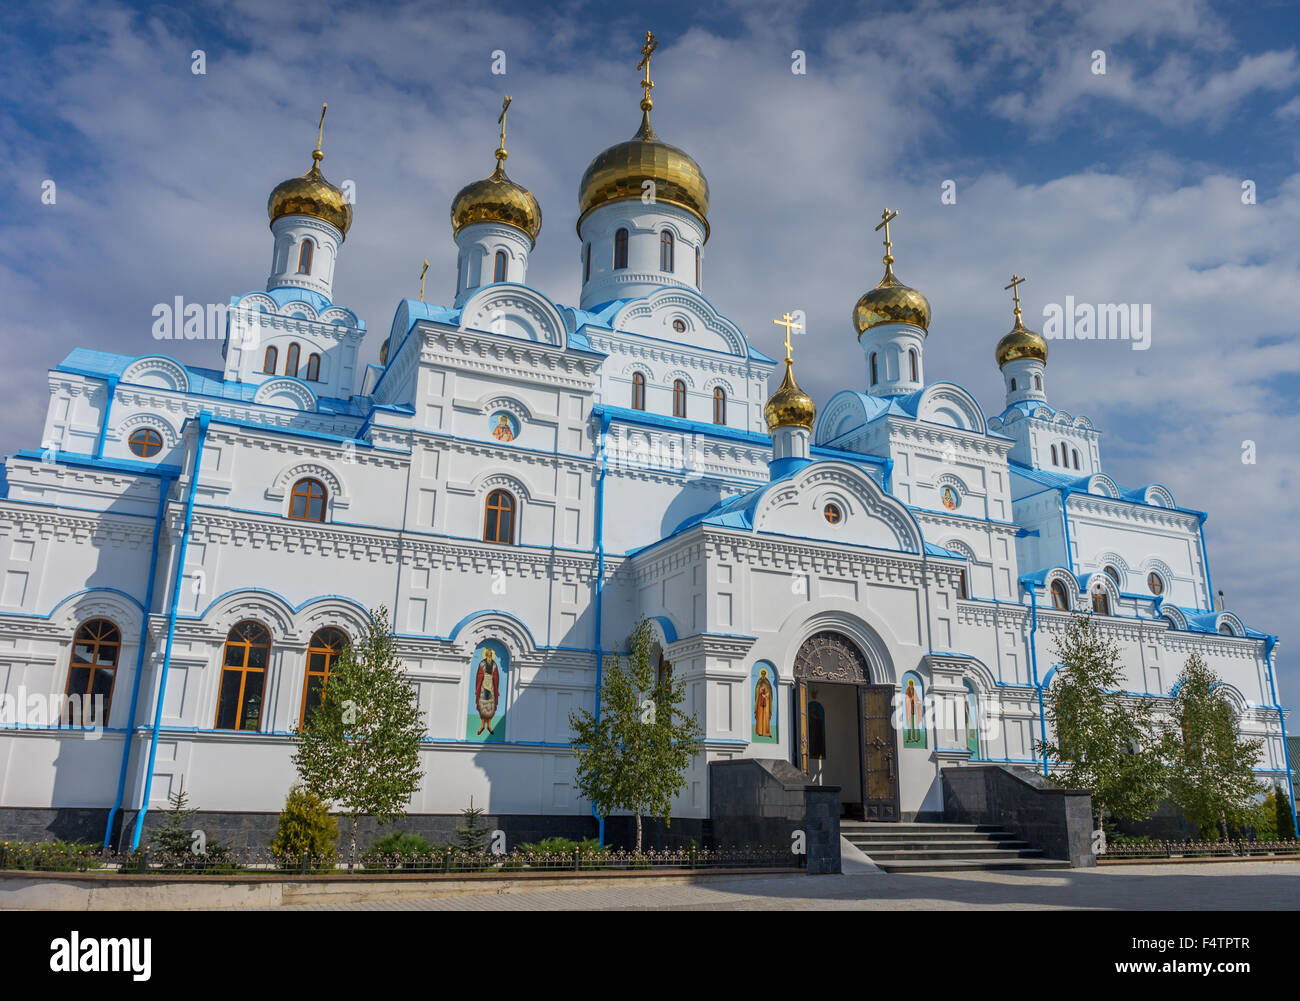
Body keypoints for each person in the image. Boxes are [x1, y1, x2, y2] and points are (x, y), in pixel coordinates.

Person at [474, 647, 501, 735]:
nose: (489, 656)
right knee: (482, 706)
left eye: (490, 654)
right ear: (485, 655)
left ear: (492, 655)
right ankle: (482, 725)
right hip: (483, 687)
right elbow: (479, 674)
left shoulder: (494, 665)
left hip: (491, 688)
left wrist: (493, 677)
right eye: (488, 654)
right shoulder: (482, 663)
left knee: (490, 706)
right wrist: (483, 675)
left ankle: (489, 725)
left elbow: (497, 676)